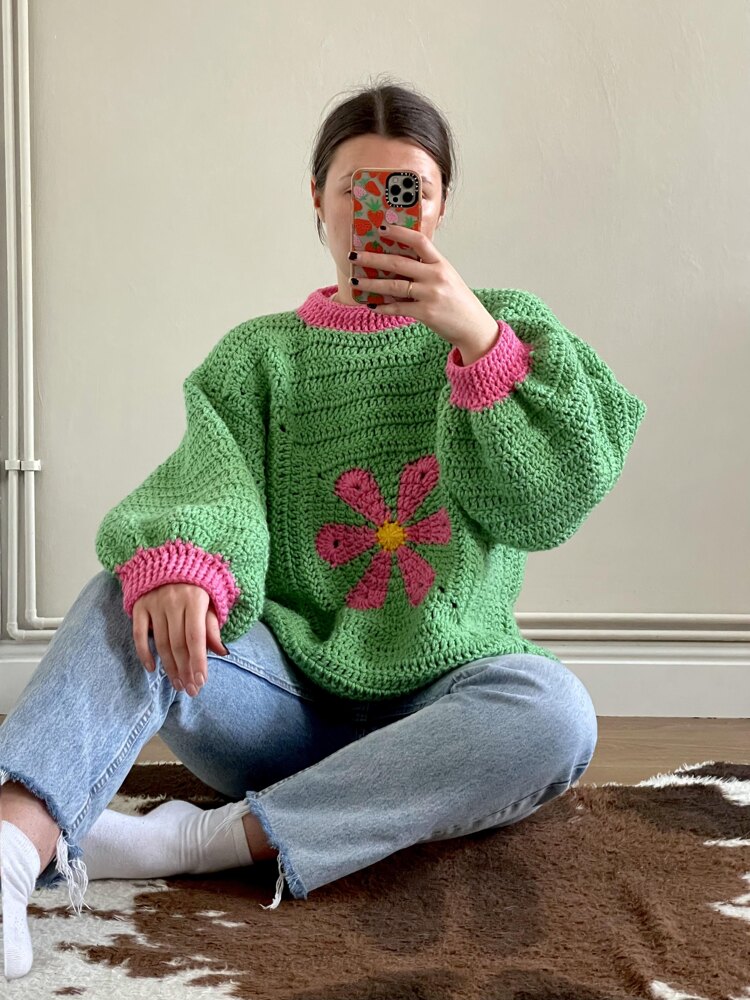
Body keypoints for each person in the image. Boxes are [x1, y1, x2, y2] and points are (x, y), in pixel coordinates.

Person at [0, 76, 646, 980]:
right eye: (356, 188)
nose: (379, 210)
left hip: (442, 710)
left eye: (408, 190)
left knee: (555, 714)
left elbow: (544, 506)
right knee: (133, 586)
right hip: (280, 708)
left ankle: (202, 841)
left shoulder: (506, 332)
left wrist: (477, 343)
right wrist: (186, 566)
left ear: (441, 205)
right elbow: (210, 487)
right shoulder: (260, 355)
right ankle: (11, 850)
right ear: (318, 199)